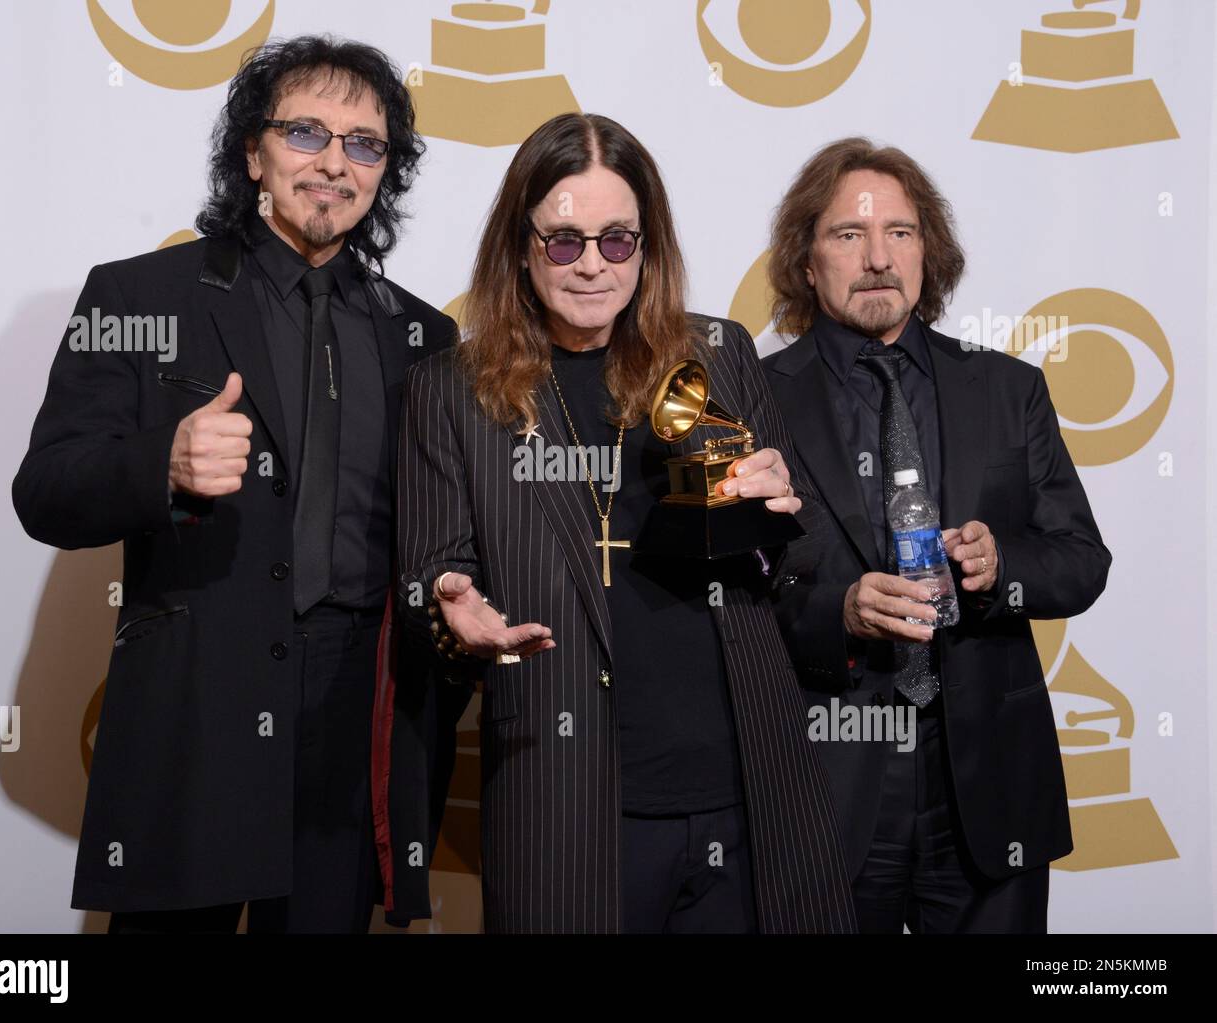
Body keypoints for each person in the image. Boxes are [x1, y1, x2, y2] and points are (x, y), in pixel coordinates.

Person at [12, 36, 464, 933]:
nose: (334, 162)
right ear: (252, 151)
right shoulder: (141, 297)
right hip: (196, 712)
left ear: (386, 170)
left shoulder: (425, 336)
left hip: (354, 717)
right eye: (306, 131)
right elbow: (47, 490)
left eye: (364, 143)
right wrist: (161, 463)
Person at [396, 112, 856, 934]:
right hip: (567, 800)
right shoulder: (451, 390)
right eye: (564, 241)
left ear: (648, 246)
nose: (592, 267)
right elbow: (433, 572)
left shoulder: (718, 354)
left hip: (745, 786)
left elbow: (796, 562)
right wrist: (449, 607)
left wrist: (784, 508)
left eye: (617, 240)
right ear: (521, 244)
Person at [762, 137, 1111, 933]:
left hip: (988, 789)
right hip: (832, 786)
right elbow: (732, 594)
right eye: (848, 234)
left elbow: (1082, 562)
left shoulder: (1008, 388)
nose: (877, 256)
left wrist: (1001, 567)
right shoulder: (756, 397)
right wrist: (839, 610)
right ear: (806, 262)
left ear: (931, 253)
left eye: (901, 232)